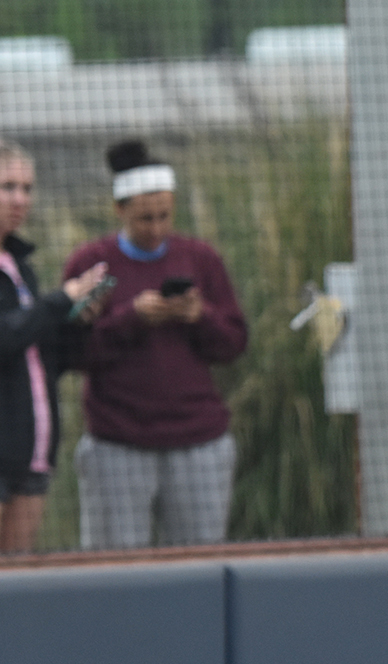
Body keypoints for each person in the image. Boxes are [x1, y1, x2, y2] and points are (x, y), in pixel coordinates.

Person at [62, 140, 248, 550]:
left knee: (198, 569)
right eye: (145, 218)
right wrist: (132, 319)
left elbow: (234, 342)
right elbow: (73, 352)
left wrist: (199, 316)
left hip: (199, 441)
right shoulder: (92, 265)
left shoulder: (200, 259)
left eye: (165, 215)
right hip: (118, 444)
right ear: (120, 210)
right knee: (117, 573)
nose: (157, 228)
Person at [0, 139, 109, 554]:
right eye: (8, 186)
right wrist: (59, 299)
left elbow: (38, 358)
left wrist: (76, 321)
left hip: (32, 455)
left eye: (27, 188)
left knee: (15, 589)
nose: (20, 199)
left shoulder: (19, 265)